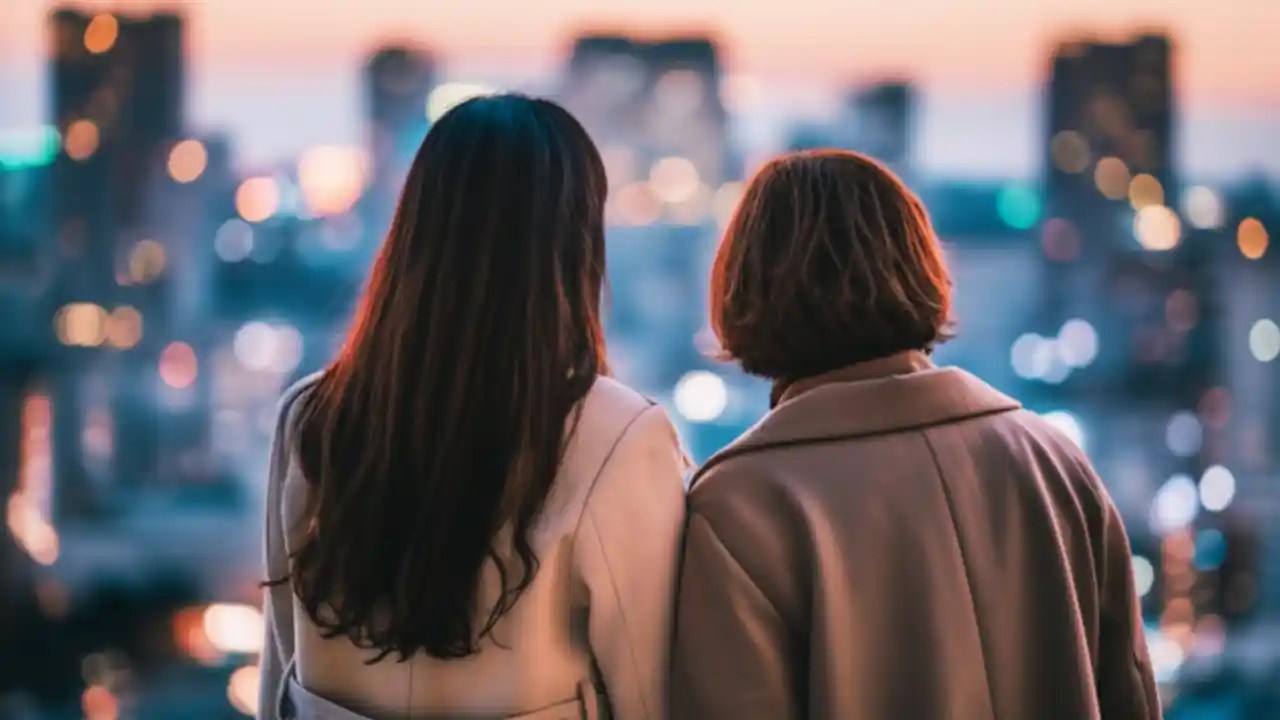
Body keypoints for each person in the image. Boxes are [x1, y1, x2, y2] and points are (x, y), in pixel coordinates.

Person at [670, 150, 1160, 719]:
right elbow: (1130, 692)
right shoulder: (1053, 464)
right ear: (921, 268)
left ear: (743, 284)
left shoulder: (744, 506)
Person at [259, 95, 687, 720]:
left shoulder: (314, 417)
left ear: (415, 228)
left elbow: (282, 664)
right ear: (574, 240)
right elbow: (651, 694)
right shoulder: (617, 434)